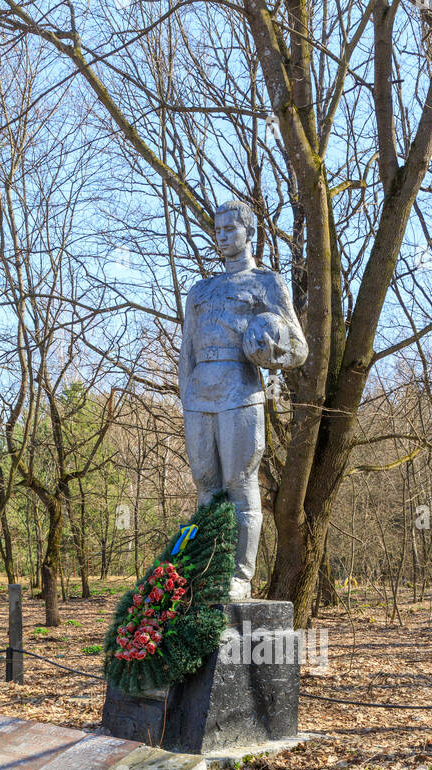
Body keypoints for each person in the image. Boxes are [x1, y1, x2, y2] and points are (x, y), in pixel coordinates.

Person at [178, 199, 308, 600]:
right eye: (216, 230)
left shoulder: (266, 283)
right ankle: (208, 568)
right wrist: (187, 399)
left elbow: (299, 348)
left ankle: (239, 575)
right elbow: (186, 354)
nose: (221, 237)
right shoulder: (200, 290)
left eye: (229, 229)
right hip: (200, 396)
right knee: (207, 485)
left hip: (240, 392)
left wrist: (272, 345)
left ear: (249, 232)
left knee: (239, 482)